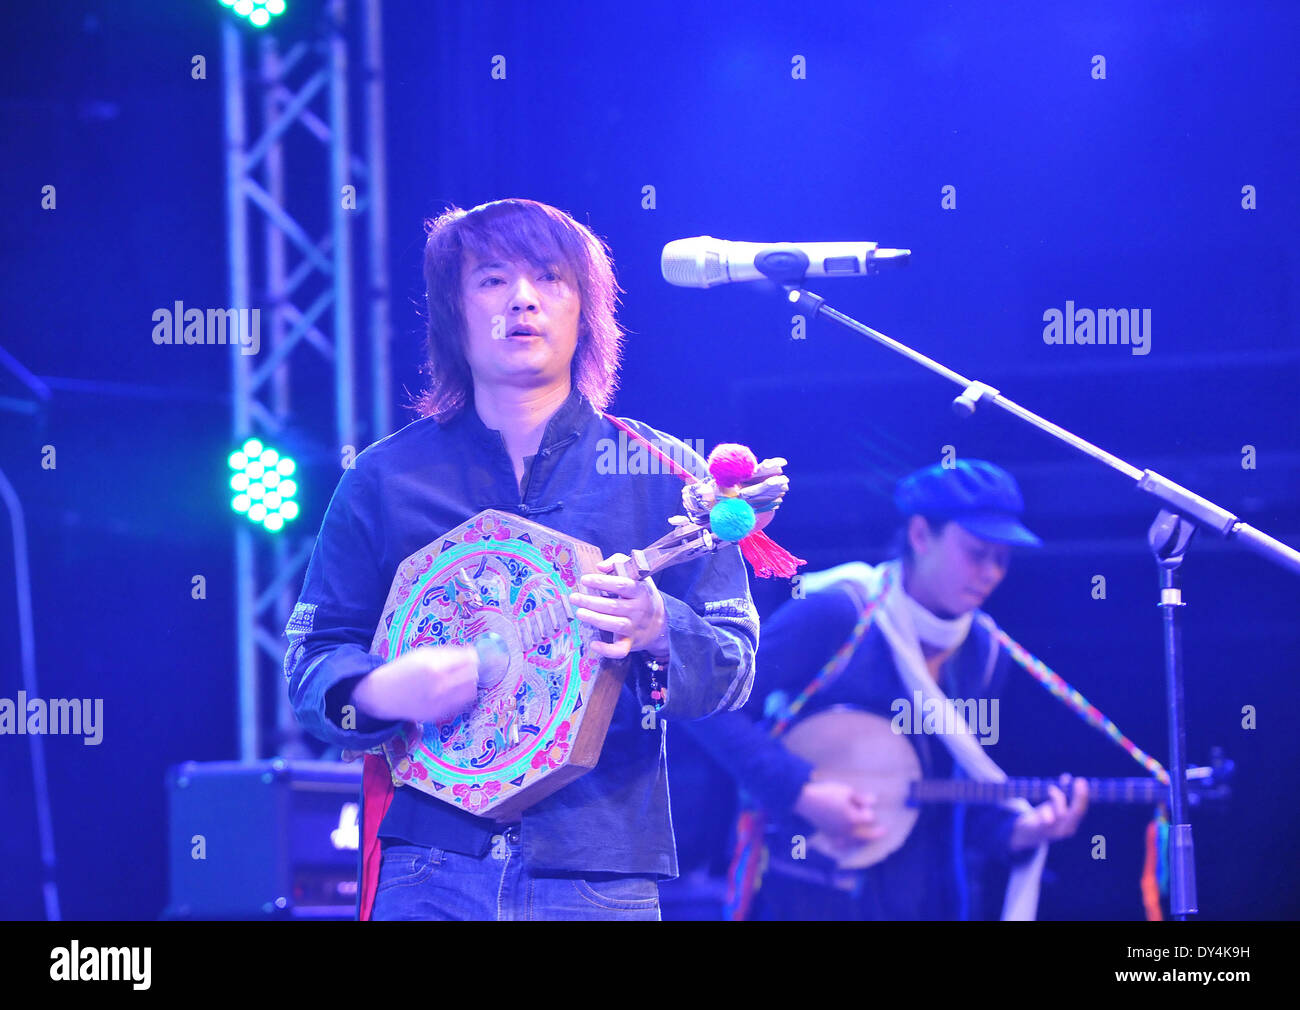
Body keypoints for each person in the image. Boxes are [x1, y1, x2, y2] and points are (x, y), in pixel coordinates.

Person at [283, 198, 759, 920]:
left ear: (586, 310)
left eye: (549, 278)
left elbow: (736, 667)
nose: (522, 300)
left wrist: (661, 627)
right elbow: (311, 657)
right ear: (454, 311)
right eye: (491, 280)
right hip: (429, 867)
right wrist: (377, 693)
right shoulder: (384, 480)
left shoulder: (664, 472)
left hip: (600, 874)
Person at [685, 459, 1090, 920]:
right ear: (920, 535)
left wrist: (1017, 830)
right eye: (978, 552)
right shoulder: (841, 612)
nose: (992, 572)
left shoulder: (982, 649)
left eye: (1003, 558)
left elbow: (943, 787)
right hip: (806, 894)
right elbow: (707, 701)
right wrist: (801, 791)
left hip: (924, 900)